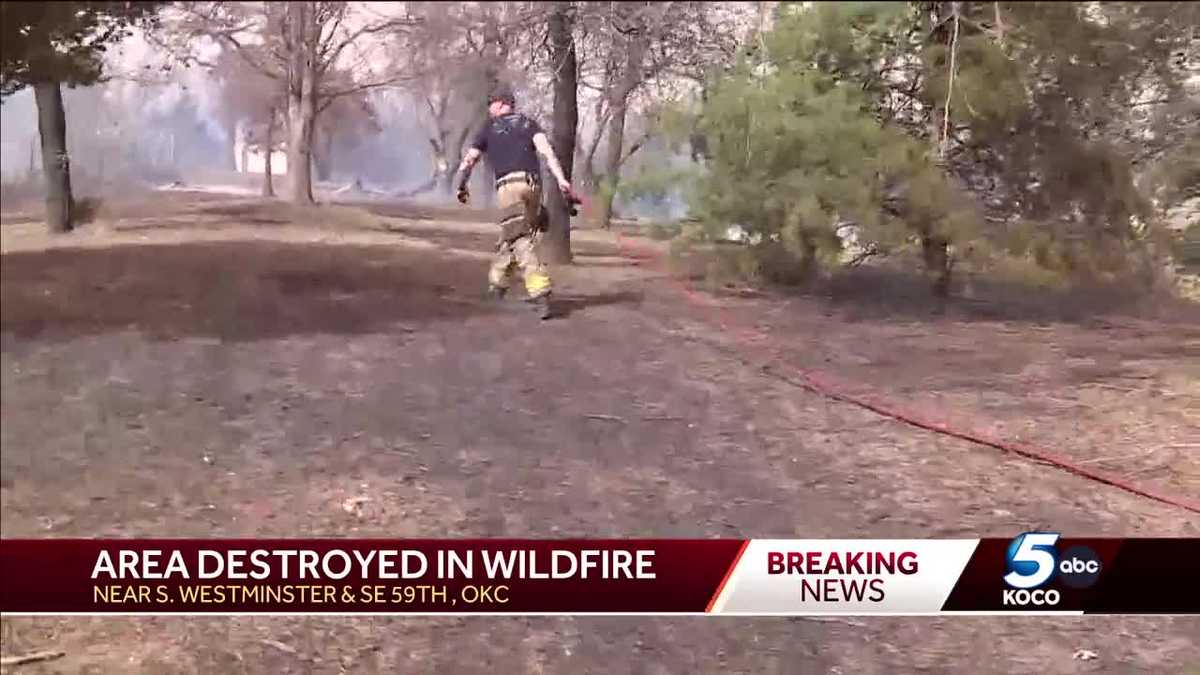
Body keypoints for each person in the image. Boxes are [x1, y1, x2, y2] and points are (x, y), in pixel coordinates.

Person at [454, 86, 573, 320]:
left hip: (509, 187)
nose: (489, 109)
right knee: (512, 233)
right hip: (533, 186)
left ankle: (540, 291)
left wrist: (461, 184)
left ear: (500, 104)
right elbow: (547, 153)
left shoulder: (489, 128)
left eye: (491, 104)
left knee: (519, 239)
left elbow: (470, 159)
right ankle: (497, 285)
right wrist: (561, 180)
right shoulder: (529, 123)